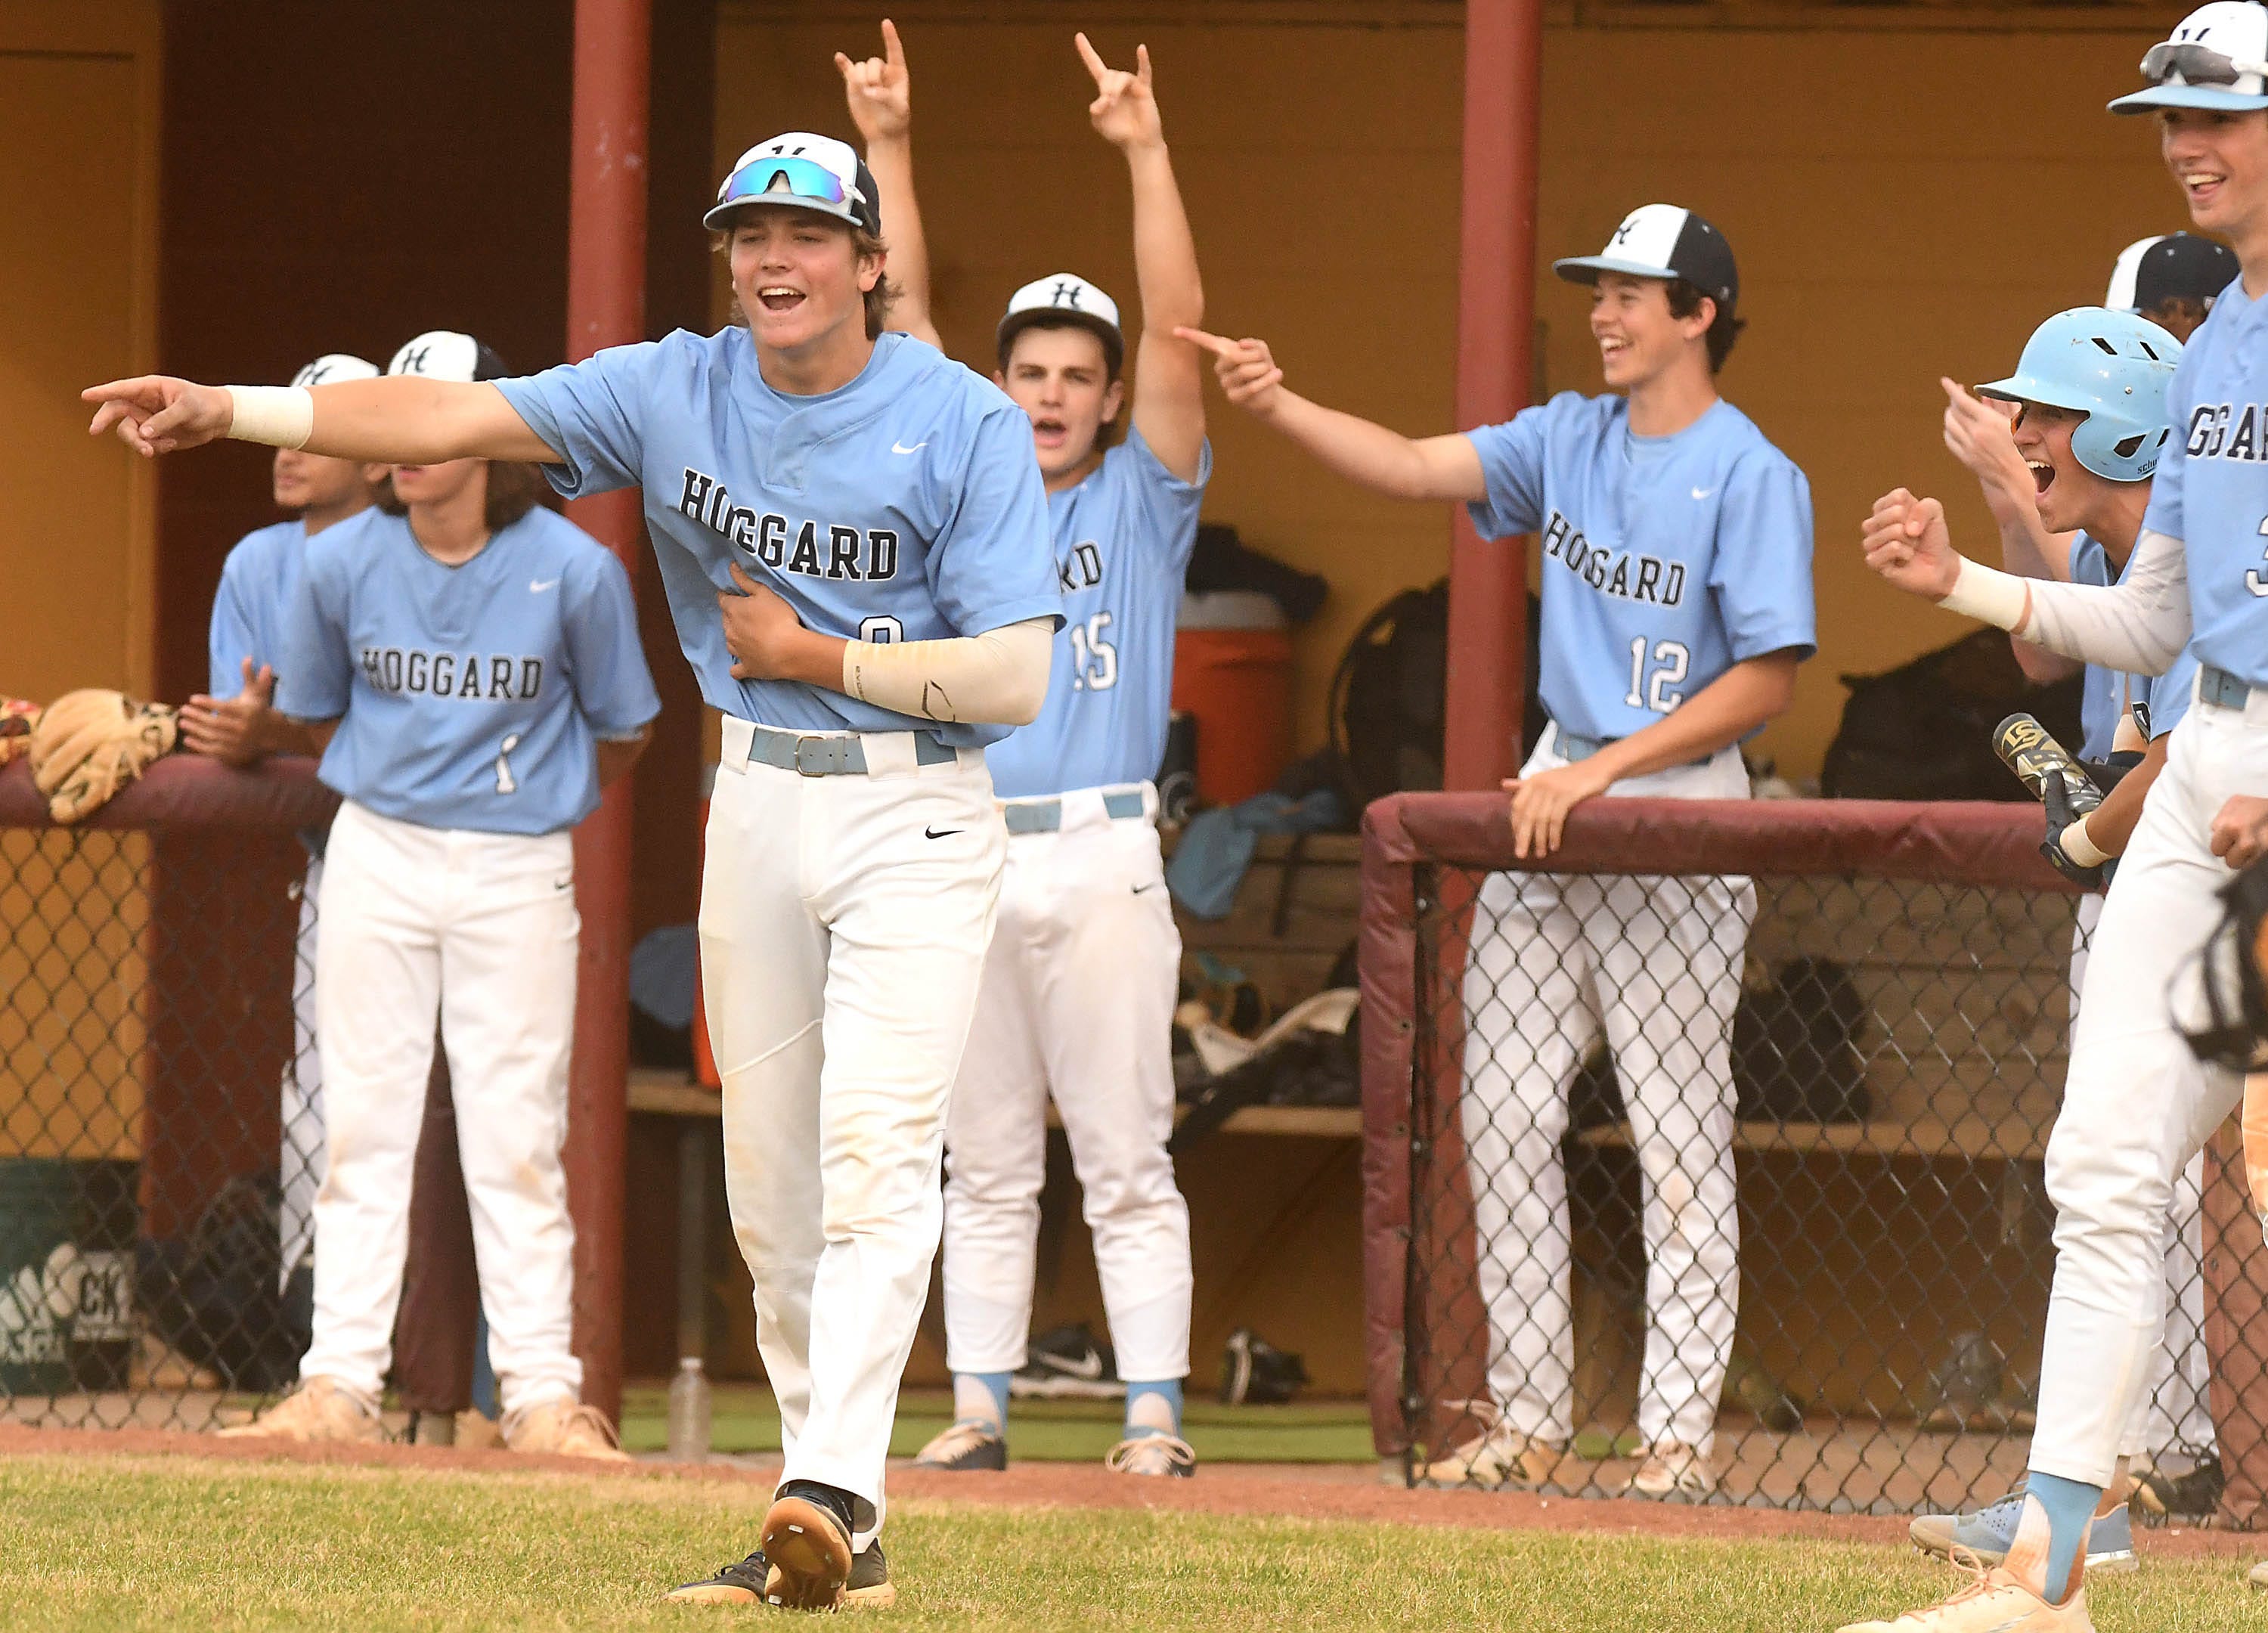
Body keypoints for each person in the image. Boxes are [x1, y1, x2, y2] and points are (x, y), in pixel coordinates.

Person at [85, 129, 1059, 1609]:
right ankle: (835, 1514)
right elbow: (457, 411)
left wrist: (823, 653)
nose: (775, 260)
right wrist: (231, 405)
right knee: (774, 1193)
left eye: (807, 235)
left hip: (915, 811)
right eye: (749, 235)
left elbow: (1013, 681)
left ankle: (825, 1488)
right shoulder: (677, 384)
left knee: (875, 1150)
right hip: (757, 801)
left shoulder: (964, 422)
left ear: (871, 262)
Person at [1187, 203, 1816, 1500]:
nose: (1603, 312)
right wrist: (1280, 404)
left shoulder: (1754, 470)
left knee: (1676, 1131)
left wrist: (1602, 771)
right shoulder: (1570, 436)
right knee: (1505, 1114)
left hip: (1676, 802)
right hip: (1558, 789)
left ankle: (1676, 1438)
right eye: (1599, 291)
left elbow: (1766, 683)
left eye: (1632, 293)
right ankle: (1530, 1416)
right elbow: (1417, 468)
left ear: (1698, 313)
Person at [1848, 7, 2268, 1621]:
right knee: (2102, 1166)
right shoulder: (2217, 336)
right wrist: (1957, 575)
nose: (2185, 144)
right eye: (2171, 119)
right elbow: (2156, 623)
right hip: (2206, 774)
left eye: (2217, 116)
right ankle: (2049, 1565)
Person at [835, 22, 1211, 1480]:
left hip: (1106, 845)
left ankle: (1154, 1417)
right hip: (966, 840)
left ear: (1109, 397)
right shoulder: (967, 481)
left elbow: (1181, 330)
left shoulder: (1145, 496)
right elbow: (908, 306)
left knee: (1123, 1156)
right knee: (979, 1156)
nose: (1051, 394)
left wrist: (1146, 151)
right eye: (1030, 371)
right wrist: (890, 146)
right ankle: (979, 1407)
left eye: (1077, 375)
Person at [198, 330, 656, 1464]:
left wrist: (522, 800)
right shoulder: (340, 562)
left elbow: (626, 731)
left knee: (517, 1136)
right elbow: (311, 711)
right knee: (362, 1123)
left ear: (486, 433)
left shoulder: (575, 566)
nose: (408, 441)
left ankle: (544, 1395)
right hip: (380, 849)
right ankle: (338, 1383)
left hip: (513, 863)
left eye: (436, 411)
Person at [1902, 308, 2204, 1579]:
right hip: (2210, 868)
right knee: (2107, 1169)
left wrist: (2093, 839)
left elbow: (2206, 743)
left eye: (2051, 412)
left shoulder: (2210, 535)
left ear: (2133, 428)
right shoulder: (2133, 569)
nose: (2026, 431)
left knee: (2130, 1172)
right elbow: (2130, 659)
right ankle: (2072, 1520)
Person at [185, 352, 383, 1297]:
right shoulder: (255, 561)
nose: (288, 443)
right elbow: (240, 720)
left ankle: (440, 1358)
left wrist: (286, 728)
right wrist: (255, 733)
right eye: (285, 416)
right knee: (318, 1084)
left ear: (381, 449)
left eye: (321, 418)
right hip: (329, 856)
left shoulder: (414, 542)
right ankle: (319, 1320)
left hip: (443, 844)